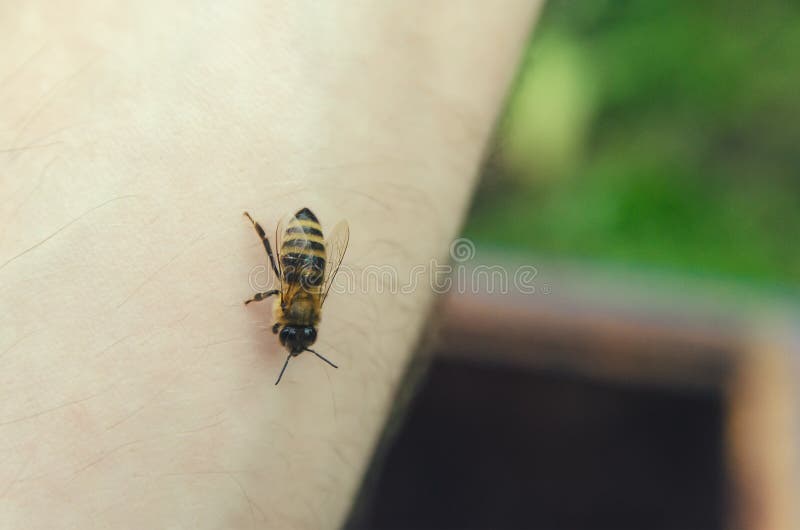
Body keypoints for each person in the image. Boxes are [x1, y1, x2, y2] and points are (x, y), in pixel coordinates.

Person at [0, 2, 540, 527]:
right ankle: (262, 229)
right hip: (307, 243)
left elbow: (307, 272)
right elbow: (287, 278)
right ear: (297, 320)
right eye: (290, 330)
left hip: (314, 247)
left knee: (281, 265)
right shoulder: (291, 302)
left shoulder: (305, 305)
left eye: (288, 330)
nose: (285, 327)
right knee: (277, 263)